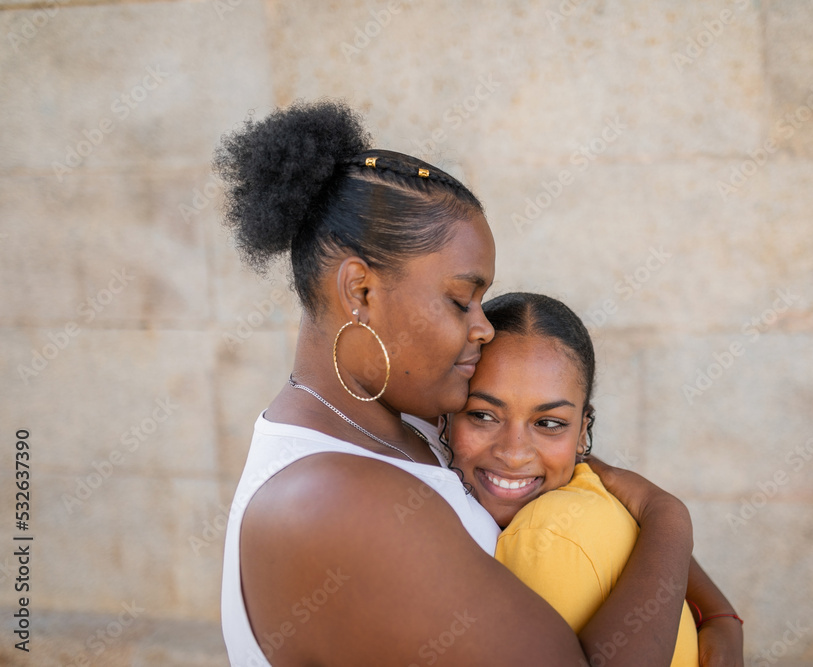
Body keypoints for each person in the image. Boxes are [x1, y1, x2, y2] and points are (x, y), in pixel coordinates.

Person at [216, 99, 698, 666]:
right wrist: (671, 517)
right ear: (360, 292)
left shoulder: (408, 421)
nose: (484, 327)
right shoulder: (335, 500)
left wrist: (718, 614)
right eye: (460, 300)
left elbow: (574, 480)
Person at [444, 292, 743, 667]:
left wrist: (669, 514)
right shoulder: (593, 491)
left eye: (549, 423)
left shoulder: (546, 535)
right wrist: (668, 515)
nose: (514, 452)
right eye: (484, 416)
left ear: (582, 430)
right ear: (446, 412)